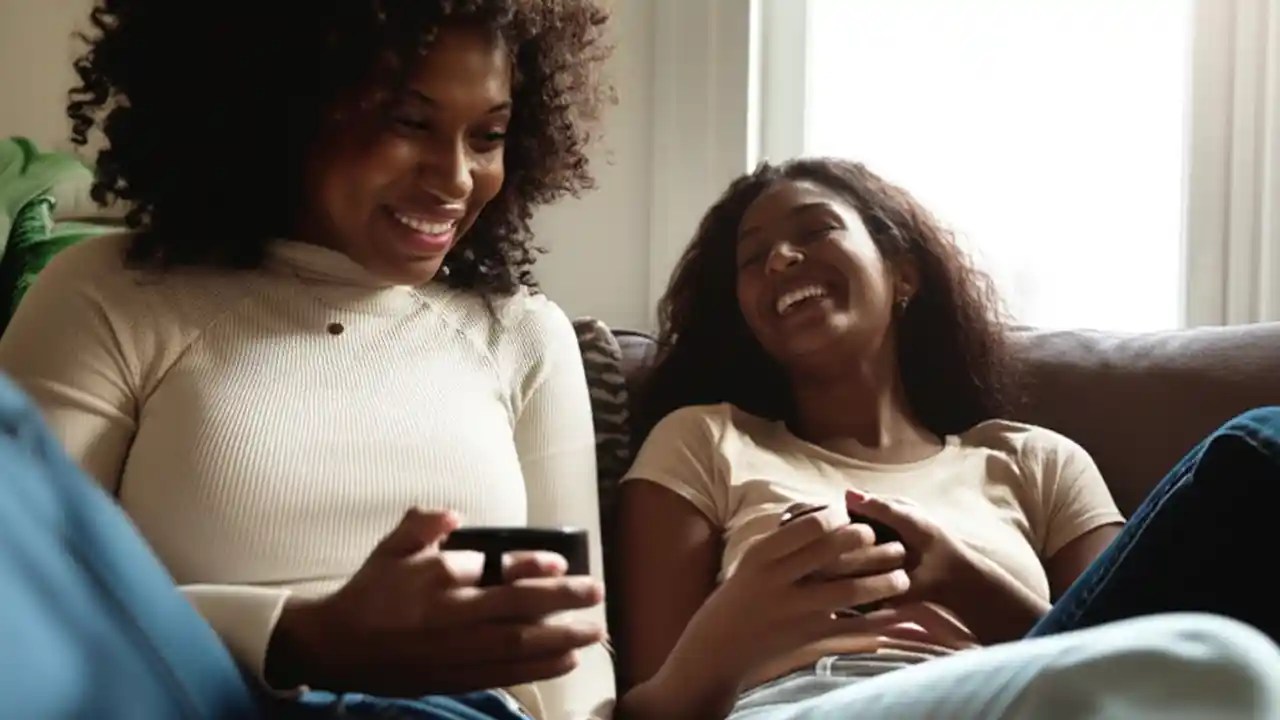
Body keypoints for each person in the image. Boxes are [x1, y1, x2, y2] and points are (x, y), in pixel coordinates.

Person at [0, 1, 616, 718]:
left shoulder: (522, 335)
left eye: (488, 136)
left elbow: (578, 652)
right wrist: (300, 638)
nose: (456, 177)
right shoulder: (110, 295)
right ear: (286, 105)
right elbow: (22, 603)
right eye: (409, 122)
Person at [612, 157, 1280, 719]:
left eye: (813, 230)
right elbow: (644, 713)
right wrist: (735, 627)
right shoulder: (705, 440)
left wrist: (969, 586)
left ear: (903, 274)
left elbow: (1121, 654)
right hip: (804, 702)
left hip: (1012, 703)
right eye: (753, 259)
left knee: (1255, 485)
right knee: (1231, 665)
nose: (781, 259)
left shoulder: (1038, 462)